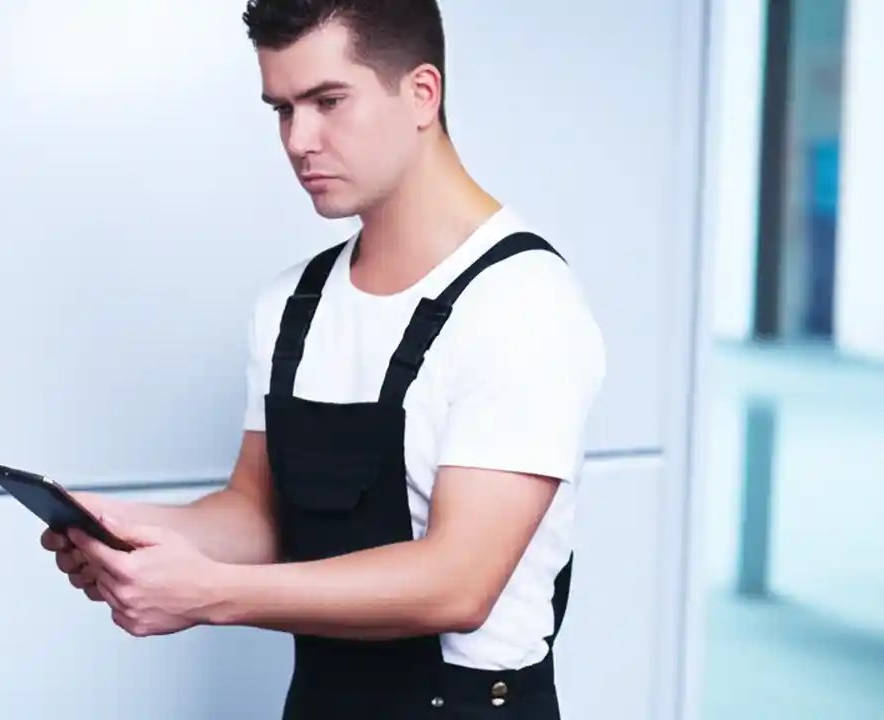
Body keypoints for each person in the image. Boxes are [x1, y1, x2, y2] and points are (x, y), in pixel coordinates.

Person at [40, 0, 606, 717]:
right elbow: (257, 515)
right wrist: (125, 530)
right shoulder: (292, 304)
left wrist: (208, 594)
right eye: (282, 109)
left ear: (421, 94)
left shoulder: (523, 303)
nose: (299, 140)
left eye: (327, 101)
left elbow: (458, 583)